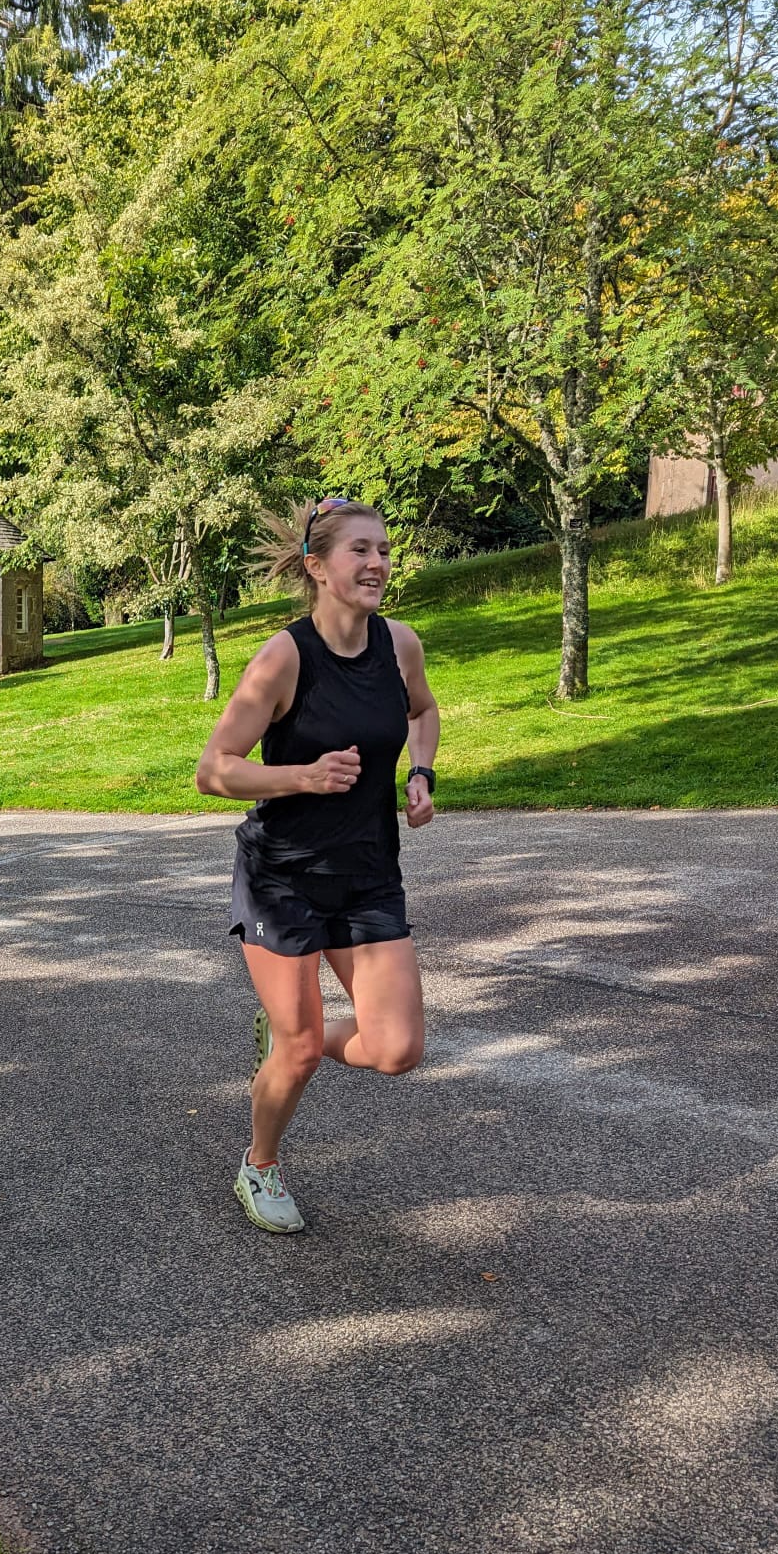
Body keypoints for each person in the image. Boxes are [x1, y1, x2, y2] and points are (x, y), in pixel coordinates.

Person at [194, 497, 440, 1234]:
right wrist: (300, 776)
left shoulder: (400, 645)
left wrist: (421, 775)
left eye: (385, 550)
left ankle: (286, 1040)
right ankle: (259, 1164)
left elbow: (422, 712)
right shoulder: (283, 657)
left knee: (397, 1049)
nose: (376, 564)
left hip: (367, 871)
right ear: (318, 567)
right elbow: (214, 770)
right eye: (359, 550)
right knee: (301, 1052)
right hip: (284, 876)